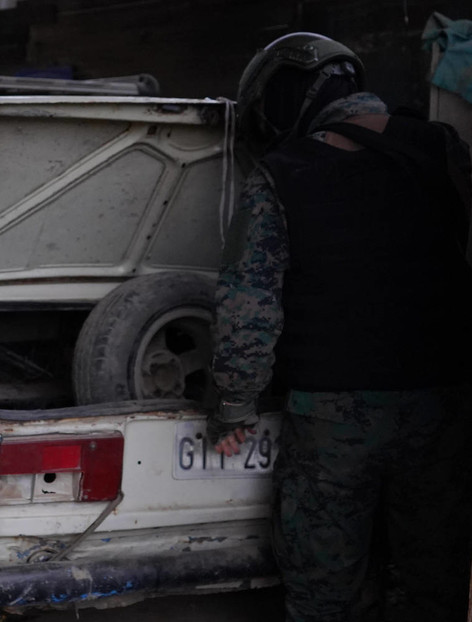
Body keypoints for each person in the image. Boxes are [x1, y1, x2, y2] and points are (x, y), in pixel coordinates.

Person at [207, 32, 472, 621]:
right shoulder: (445, 150)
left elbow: (249, 306)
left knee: (326, 588)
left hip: (331, 421)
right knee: (437, 582)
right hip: (442, 410)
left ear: (289, 96)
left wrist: (234, 408)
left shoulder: (283, 173)